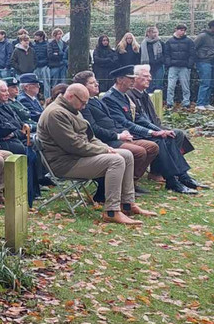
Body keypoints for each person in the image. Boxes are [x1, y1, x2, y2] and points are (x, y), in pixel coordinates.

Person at [37, 84, 154, 225]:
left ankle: (127, 204)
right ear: (70, 96)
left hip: (77, 157)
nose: (84, 106)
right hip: (64, 163)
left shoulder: (72, 109)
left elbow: (90, 137)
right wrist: (104, 151)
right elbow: (74, 146)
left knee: (126, 155)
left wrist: (105, 147)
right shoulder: (56, 114)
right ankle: (112, 211)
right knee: (116, 161)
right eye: (83, 102)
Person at [101, 65, 199, 194]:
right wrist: (153, 132)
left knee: (166, 138)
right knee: (159, 141)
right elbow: (125, 123)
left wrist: (158, 130)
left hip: (133, 132)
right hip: (123, 135)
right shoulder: (110, 98)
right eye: (130, 78)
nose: (133, 81)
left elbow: (139, 117)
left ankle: (180, 177)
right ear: (120, 80)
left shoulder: (124, 96)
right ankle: (173, 180)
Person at [72, 70, 160, 187]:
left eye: (96, 82)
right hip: (106, 140)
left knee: (152, 147)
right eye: (92, 83)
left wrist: (123, 131)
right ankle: (125, 185)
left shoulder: (97, 101)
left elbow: (112, 120)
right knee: (139, 152)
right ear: (82, 87)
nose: (97, 84)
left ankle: (131, 181)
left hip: (118, 135)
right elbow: (93, 129)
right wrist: (118, 136)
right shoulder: (84, 105)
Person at [194, 19, 214, 109]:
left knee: (210, 83)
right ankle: (200, 103)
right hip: (203, 62)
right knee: (205, 83)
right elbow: (193, 48)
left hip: (212, 62)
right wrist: (197, 59)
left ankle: (206, 103)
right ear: (212, 27)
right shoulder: (202, 36)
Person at [164, 23, 194, 107]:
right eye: (181, 30)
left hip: (184, 67)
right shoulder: (169, 41)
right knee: (170, 86)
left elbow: (192, 54)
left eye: (184, 30)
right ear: (176, 30)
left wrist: (189, 65)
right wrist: (169, 63)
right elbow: (166, 54)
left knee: (186, 87)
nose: (182, 32)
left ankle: (186, 103)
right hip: (173, 67)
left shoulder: (189, 41)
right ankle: (169, 103)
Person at [140, 26, 164, 95]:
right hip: (147, 67)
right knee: (148, 85)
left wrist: (160, 61)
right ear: (148, 33)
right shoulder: (144, 43)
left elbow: (165, 54)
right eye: (153, 32)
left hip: (158, 65)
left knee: (158, 84)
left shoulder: (160, 42)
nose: (155, 34)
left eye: (156, 32)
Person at [31, 31, 51, 96]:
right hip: (36, 67)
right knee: (34, 83)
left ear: (41, 37)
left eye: (37, 36)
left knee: (46, 84)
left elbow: (48, 56)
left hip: (45, 66)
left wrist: (46, 63)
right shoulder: (34, 45)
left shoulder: (47, 45)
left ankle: (47, 98)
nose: (35, 37)